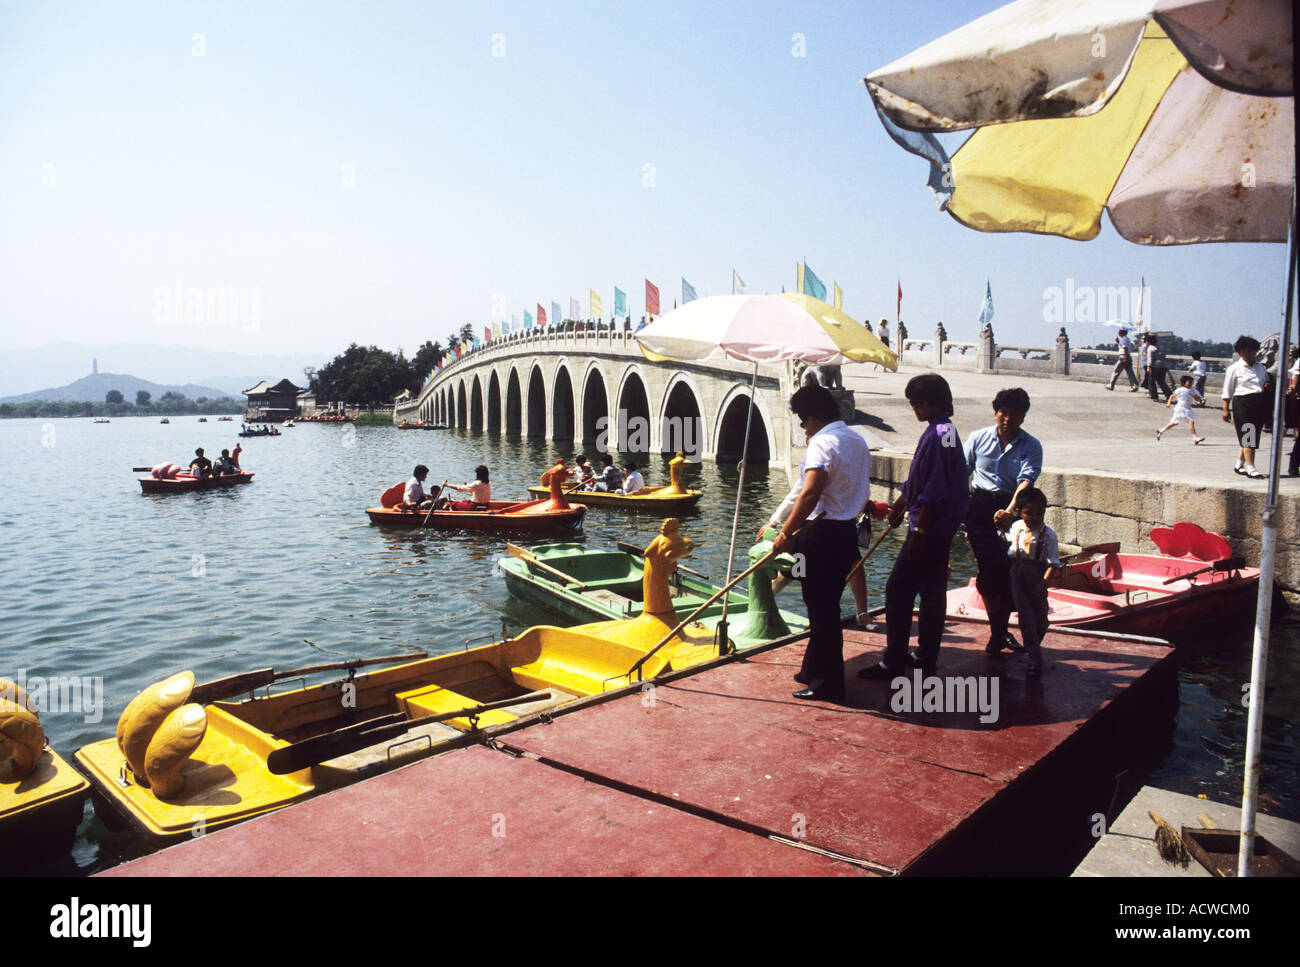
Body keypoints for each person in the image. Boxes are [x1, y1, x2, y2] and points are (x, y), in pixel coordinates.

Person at [762, 385, 870, 701]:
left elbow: (809, 493)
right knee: (826, 606)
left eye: (803, 421)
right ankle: (811, 668)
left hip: (821, 536)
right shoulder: (857, 440)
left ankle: (828, 684)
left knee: (821, 611)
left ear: (812, 417)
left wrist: (784, 533)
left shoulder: (822, 443)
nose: (803, 428)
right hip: (845, 532)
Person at [861, 374, 970, 679]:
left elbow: (935, 489)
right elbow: (919, 480)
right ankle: (925, 655)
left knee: (898, 590)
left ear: (931, 402)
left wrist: (919, 531)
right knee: (932, 591)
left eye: (916, 402)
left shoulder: (939, 434)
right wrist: (899, 506)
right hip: (941, 526)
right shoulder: (943, 430)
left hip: (931, 528)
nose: (913, 408)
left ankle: (892, 660)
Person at [962, 387, 1043, 656]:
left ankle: (1000, 629)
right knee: (988, 571)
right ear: (996, 412)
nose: (1007, 418)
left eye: (1015, 414)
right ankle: (998, 632)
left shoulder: (1031, 445)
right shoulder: (977, 437)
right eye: (1003, 412)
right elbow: (963, 473)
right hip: (980, 507)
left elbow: (1026, 480)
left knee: (1010, 572)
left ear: (1023, 417)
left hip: (1013, 507)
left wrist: (1010, 511)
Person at [1002, 487, 1059, 678]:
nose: (1034, 518)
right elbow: (1003, 535)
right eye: (1029, 513)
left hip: (1038, 575)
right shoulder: (1016, 527)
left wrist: (1043, 584)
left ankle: (1032, 643)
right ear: (1019, 512)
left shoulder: (1049, 535)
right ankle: (1035, 660)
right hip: (1017, 573)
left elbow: (1053, 563)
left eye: (1039, 513)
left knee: (1041, 619)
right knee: (1026, 617)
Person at [1221, 335, 1269, 478]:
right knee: (1248, 433)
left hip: (1259, 402)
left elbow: (1265, 383)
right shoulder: (1234, 369)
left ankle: (1239, 464)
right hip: (1242, 402)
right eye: (1245, 351)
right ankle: (1251, 467)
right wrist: (1225, 408)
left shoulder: (1261, 368)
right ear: (1240, 352)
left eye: (1251, 351)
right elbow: (1227, 389)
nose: (1248, 354)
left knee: (1251, 435)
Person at [1155, 376, 1206, 443]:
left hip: (1187, 409)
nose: (1190, 383)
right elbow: (1172, 396)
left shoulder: (1192, 390)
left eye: (1191, 382)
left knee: (1174, 423)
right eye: (1189, 382)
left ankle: (1161, 430)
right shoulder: (1180, 390)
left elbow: (1197, 398)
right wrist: (1168, 403)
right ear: (1184, 383)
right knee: (1191, 421)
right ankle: (1195, 438)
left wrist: (1201, 399)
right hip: (1180, 409)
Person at [1146, 334, 1172, 402]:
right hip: (1163, 366)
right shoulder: (1160, 347)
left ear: (1148, 342)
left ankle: (1154, 395)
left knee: (1152, 381)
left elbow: (1150, 359)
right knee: (1161, 381)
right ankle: (1168, 394)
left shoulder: (1150, 348)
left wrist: (1149, 367)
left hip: (1155, 367)